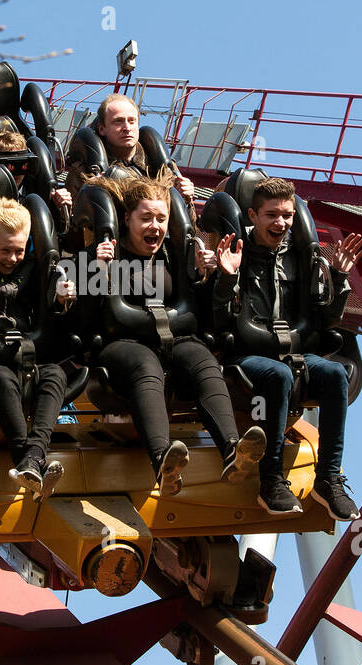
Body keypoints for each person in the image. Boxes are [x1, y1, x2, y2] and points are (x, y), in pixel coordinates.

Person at [80, 175, 264, 495]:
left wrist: (218, 275)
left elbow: (206, 314)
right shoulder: (104, 253)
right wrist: (96, 269)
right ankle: (163, 460)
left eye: (161, 218)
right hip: (123, 343)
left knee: (202, 360)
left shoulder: (173, 256)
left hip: (174, 336)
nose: (155, 226)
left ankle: (233, 449)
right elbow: (79, 313)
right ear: (127, 218)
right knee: (145, 365)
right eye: (146, 218)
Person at [211, 176, 362, 518]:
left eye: (287, 215)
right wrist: (224, 278)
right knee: (278, 375)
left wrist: (339, 278)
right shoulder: (236, 252)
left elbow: (325, 320)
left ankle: (329, 478)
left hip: (296, 350)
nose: (280, 223)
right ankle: (272, 481)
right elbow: (218, 319)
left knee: (335, 373)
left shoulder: (299, 256)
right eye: (272, 215)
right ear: (253, 215)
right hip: (247, 356)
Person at [0, 197, 76, 496]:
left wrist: (61, 299)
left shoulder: (33, 270)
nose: (12, 259)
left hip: (28, 354)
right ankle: (24, 457)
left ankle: (34, 455)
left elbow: (53, 317)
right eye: (4, 250)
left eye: (19, 250)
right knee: (3, 380)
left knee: (55, 375)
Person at [66, 94, 195, 215]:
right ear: (102, 128)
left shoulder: (165, 168)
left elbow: (189, 227)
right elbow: (74, 227)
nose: (127, 128)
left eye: (132, 121)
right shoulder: (84, 171)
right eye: (118, 121)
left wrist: (186, 200)